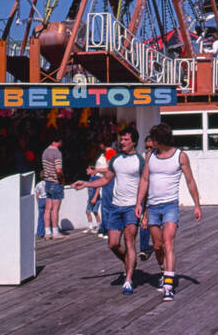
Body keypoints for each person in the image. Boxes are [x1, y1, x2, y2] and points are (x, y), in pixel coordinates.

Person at [73, 126, 145, 294]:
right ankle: (130, 263)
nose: (123, 142)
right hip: (115, 206)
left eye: (126, 140)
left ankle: (128, 279)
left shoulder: (140, 161)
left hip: (131, 207)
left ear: (134, 141)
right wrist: (86, 183)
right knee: (112, 244)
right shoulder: (116, 160)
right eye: (122, 139)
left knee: (129, 242)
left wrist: (143, 206)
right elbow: (106, 180)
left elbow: (145, 184)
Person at [135, 122, 202, 301]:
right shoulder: (150, 156)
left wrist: (197, 204)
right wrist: (139, 204)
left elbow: (190, 181)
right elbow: (144, 180)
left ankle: (168, 286)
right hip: (153, 207)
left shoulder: (180, 156)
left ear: (160, 140)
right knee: (157, 246)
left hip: (170, 205)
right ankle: (164, 271)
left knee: (168, 242)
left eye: (153, 139)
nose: (150, 142)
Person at [41, 137, 65, 239]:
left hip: (47, 182)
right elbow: (58, 170)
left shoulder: (45, 151)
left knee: (47, 209)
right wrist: (62, 180)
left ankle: (47, 232)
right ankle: (55, 232)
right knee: (55, 209)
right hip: (55, 182)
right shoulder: (57, 152)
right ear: (59, 141)